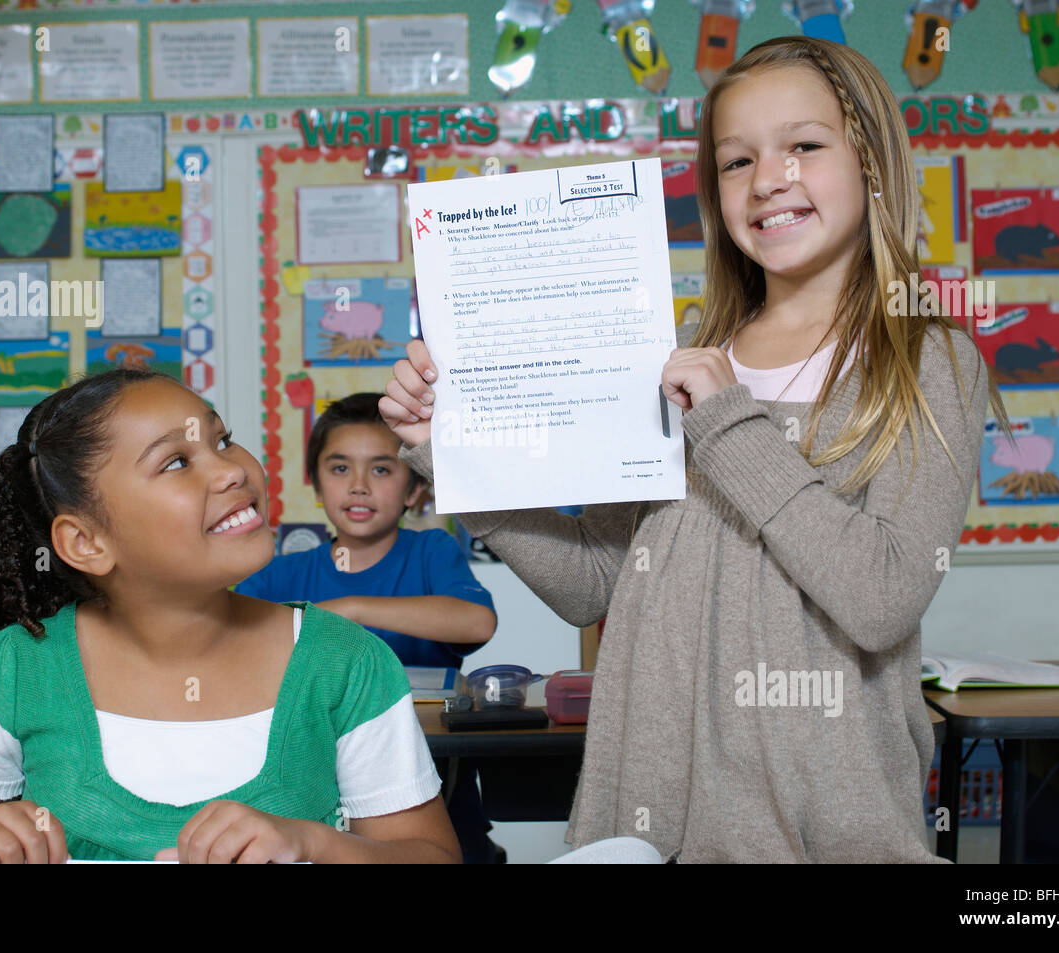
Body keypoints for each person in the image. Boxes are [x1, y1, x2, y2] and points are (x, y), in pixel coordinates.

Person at [380, 37, 1011, 862]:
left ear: (873, 163)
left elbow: (882, 595)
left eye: (805, 147)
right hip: (640, 835)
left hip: (829, 842)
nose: (769, 179)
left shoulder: (929, 362)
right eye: (736, 161)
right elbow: (591, 582)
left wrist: (726, 421)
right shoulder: (676, 356)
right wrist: (448, 450)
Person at [0, 369, 460, 863]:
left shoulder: (346, 662)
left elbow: (430, 856)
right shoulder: (15, 667)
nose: (233, 470)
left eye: (223, 440)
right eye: (176, 461)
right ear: (86, 542)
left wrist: (313, 844)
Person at [235, 393, 501, 863]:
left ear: (415, 489)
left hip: (437, 787)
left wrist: (354, 608)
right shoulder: (282, 574)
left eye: (381, 469)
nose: (359, 486)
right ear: (315, 483)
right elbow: (214, 629)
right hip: (314, 792)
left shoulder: (431, 553)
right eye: (340, 469)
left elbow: (476, 622)